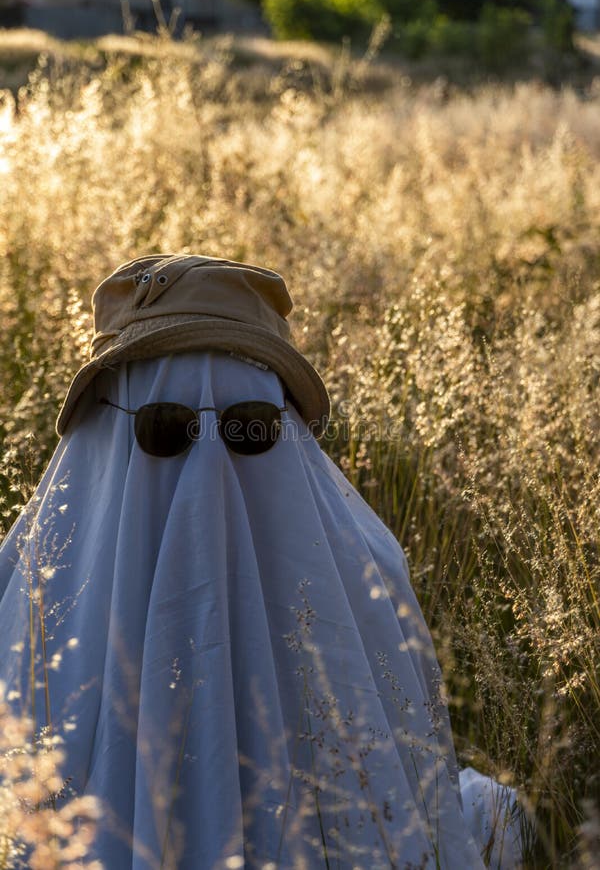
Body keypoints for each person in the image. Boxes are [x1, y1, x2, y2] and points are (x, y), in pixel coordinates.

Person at [0, 254, 504, 869]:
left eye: (250, 429)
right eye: (166, 429)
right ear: (107, 436)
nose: (205, 477)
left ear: (285, 429)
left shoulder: (368, 580)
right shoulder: (31, 594)